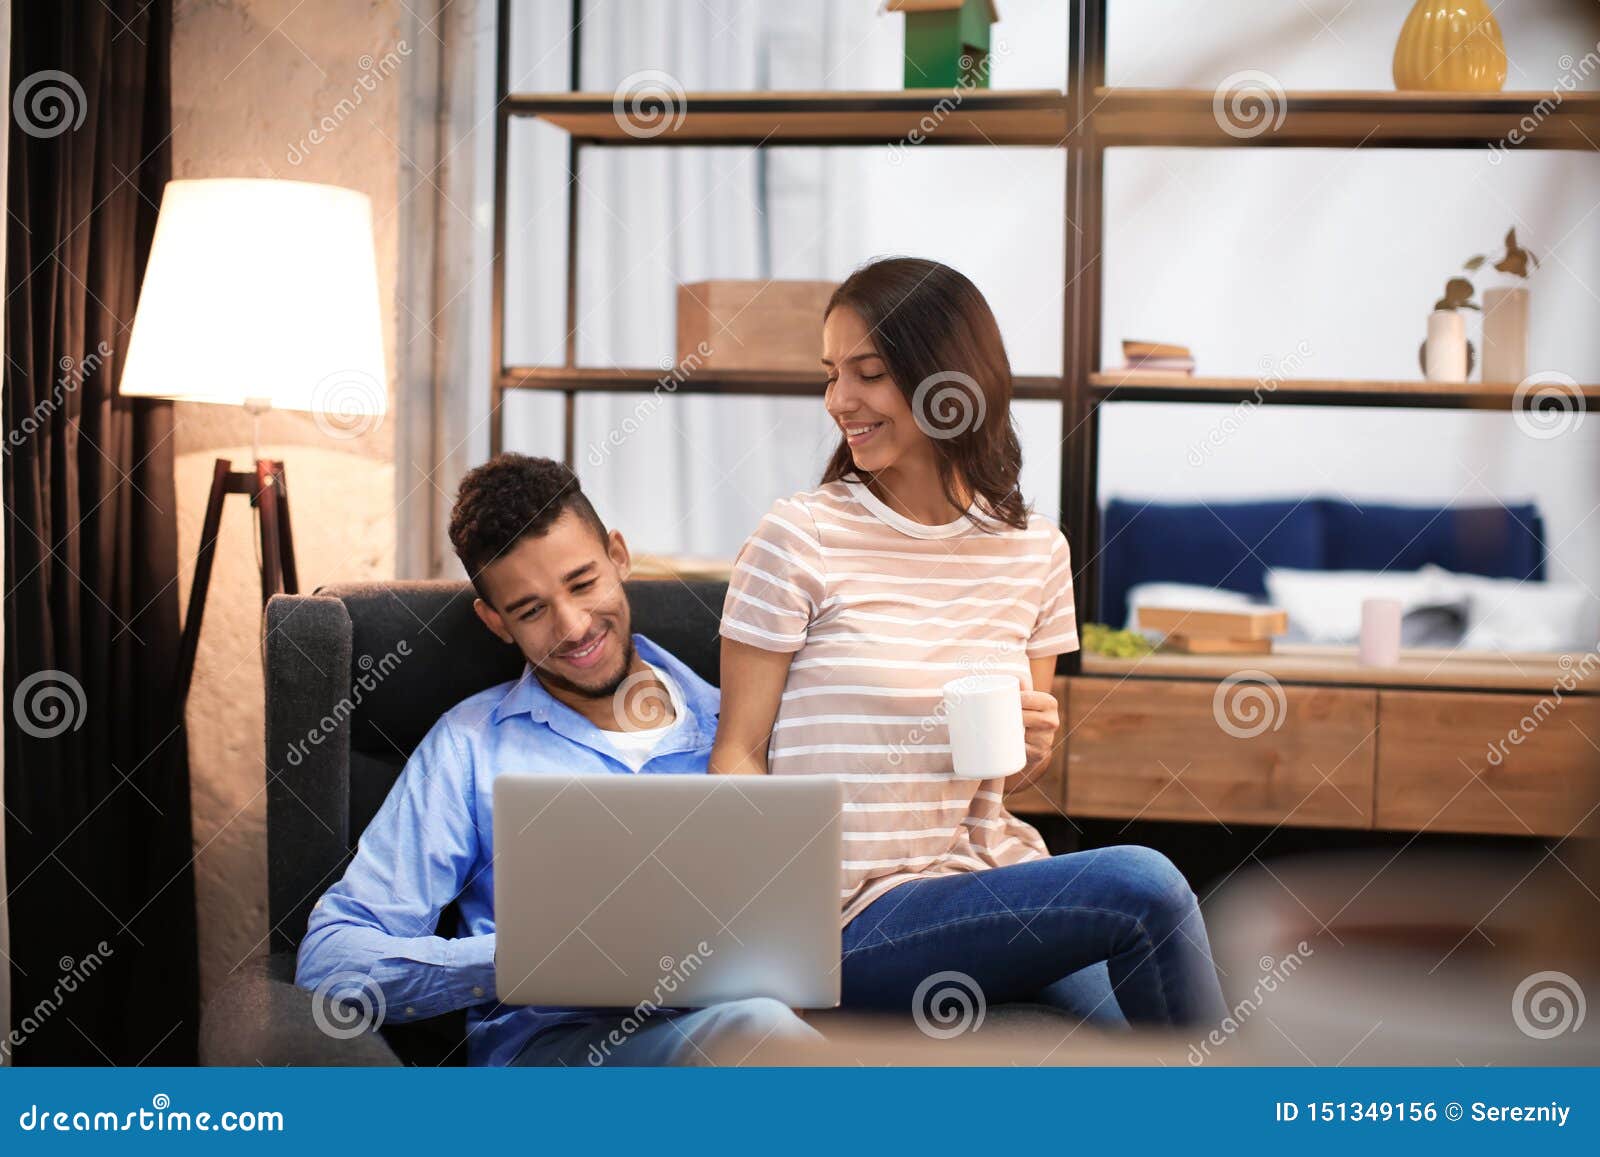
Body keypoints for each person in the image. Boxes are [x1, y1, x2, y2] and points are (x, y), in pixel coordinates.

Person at [710, 256, 1228, 1028]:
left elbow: (1003, 780)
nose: (839, 401)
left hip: (990, 881)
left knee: (1132, 1049)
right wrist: (770, 927)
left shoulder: (1036, 552)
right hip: (847, 915)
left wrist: (1035, 748)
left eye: (869, 373)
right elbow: (737, 753)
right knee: (1144, 882)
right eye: (831, 375)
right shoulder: (801, 535)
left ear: (948, 379)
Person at [295, 454, 821, 1066]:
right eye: (531, 610)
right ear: (495, 621)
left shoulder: (742, 725)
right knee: (758, 1036)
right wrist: (528, 955)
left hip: (744, 1038)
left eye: (582, 583)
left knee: (770, 1032)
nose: (573, 627)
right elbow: (331, 962)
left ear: (618, 556)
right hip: (557, 1058)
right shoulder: (469, 746)